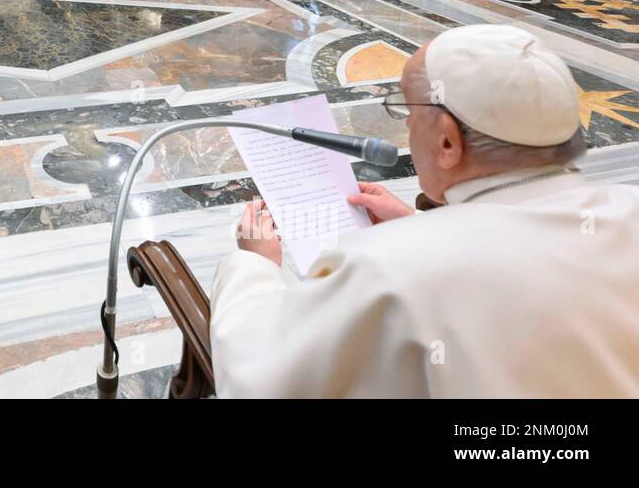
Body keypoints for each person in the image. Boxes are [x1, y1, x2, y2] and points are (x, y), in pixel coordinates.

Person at [211, 24, 639, 397]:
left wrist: (254, 266)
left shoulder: (384, 267)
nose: (407, 125)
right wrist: (418, 225)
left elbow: (255, 379)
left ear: (448, 142)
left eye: (409, 109)